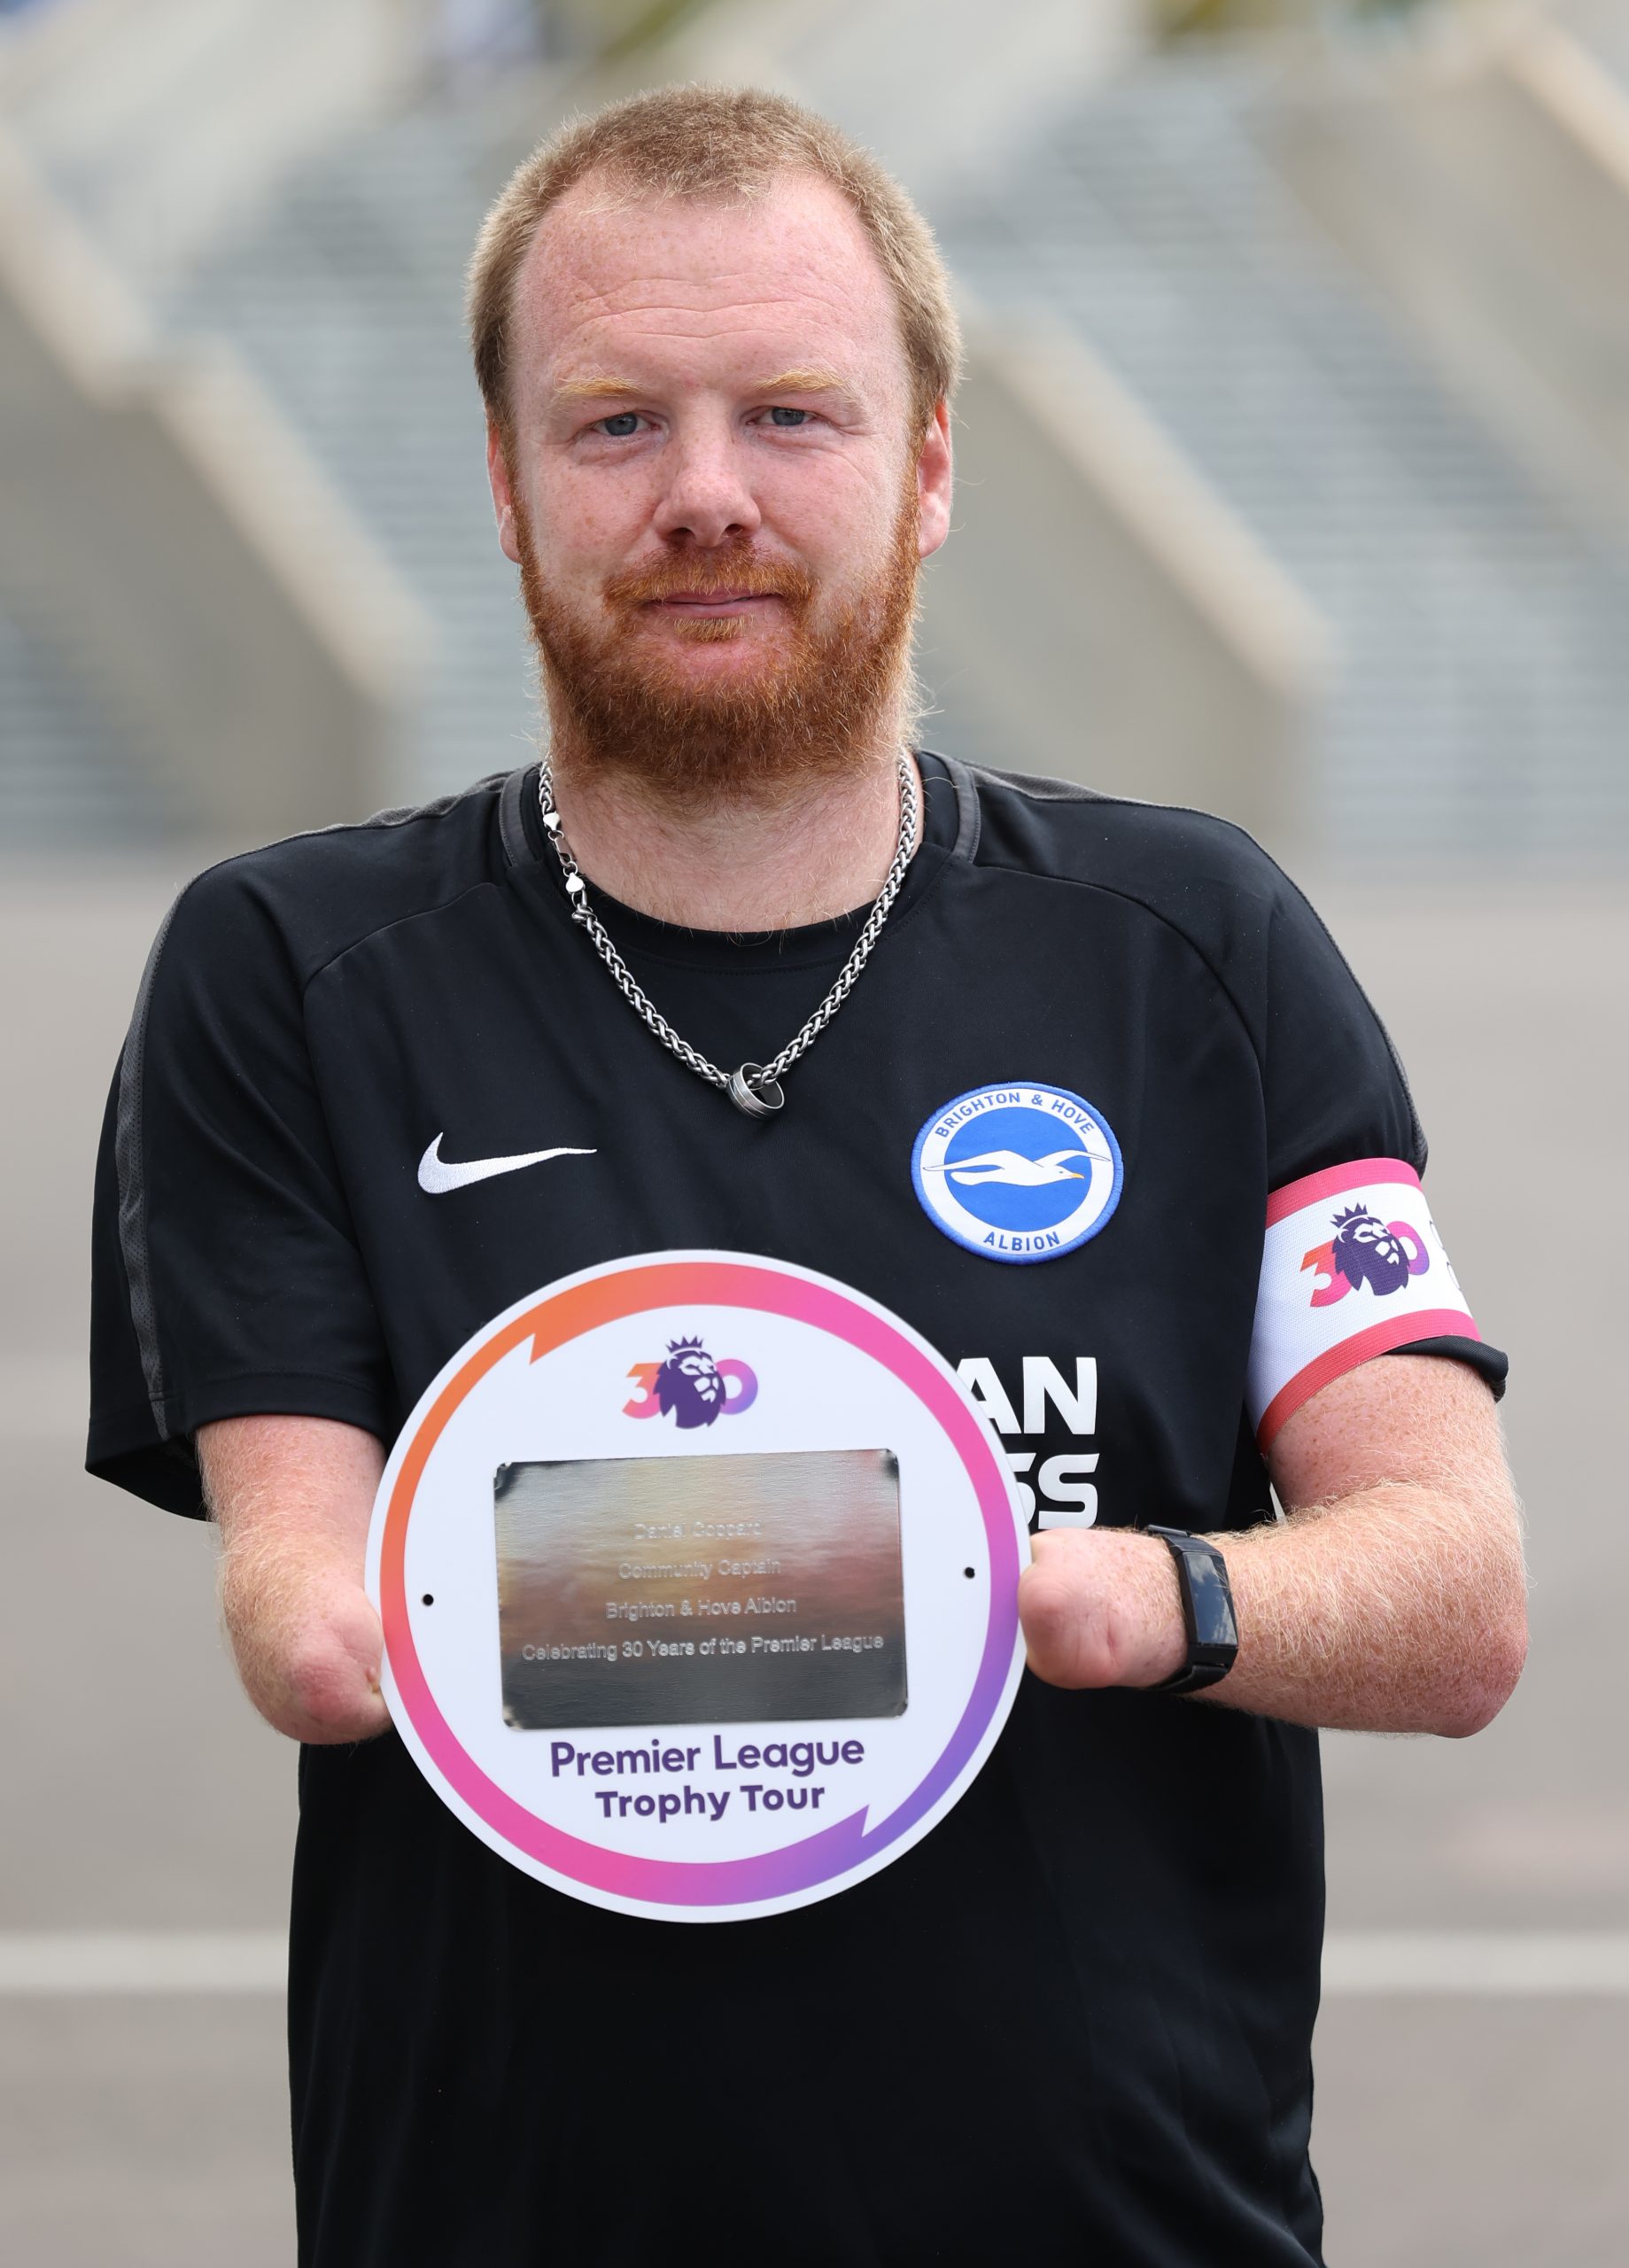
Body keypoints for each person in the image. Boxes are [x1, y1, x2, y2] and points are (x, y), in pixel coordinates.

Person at [87, 83, 1525, 2268]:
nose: (704, 495)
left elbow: (1449, 1594)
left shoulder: (1192, 952)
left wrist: (1132, 1593)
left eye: (789, 413)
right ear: (497, 480)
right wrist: (873, 1546)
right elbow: (313, 1626)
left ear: (928, 464)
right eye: (610, 424)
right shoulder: (292, 973)